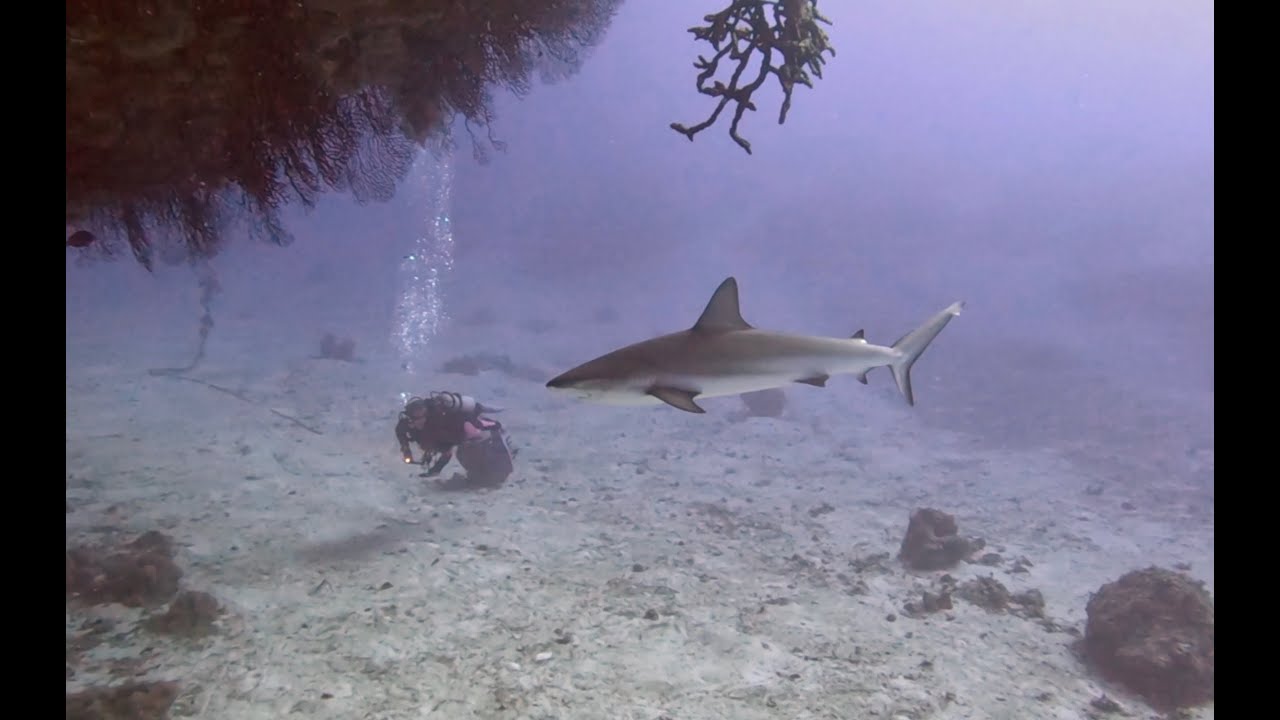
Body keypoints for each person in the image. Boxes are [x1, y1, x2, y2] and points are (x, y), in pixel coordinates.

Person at [395, 391, 515, 489]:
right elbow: (446, 451)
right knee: (466, 448)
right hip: (456, 437)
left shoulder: (441, 419)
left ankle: (499, 430)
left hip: (465, 428)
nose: (418, 422)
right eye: (415, 417)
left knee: (476, 432)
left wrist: (496, 427)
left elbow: (469, 426)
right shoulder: (408, 426)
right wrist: (407, 451)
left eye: (421, 416)